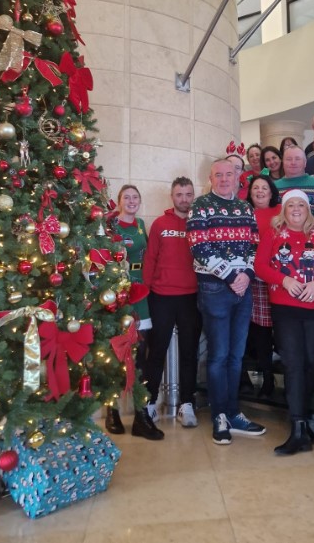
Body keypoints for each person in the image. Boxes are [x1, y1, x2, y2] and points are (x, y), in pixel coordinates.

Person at [186, 158, 266, 445]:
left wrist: (246, 274)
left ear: (237, 177)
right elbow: (199, 246)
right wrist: (232, 275)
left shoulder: (245, 208)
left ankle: (233, 412)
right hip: (214, 288)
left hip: (243, 289)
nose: (223, 179)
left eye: (228, 174)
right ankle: (220, 415)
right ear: (211, 178)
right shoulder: (201, 205)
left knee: (236, 356)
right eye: (218, 175)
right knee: (218, 356)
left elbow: (255, 244)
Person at [255, 189, 314, 455]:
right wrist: (283, 280)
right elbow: (260, 265)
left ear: (308, 209)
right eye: (291, 205)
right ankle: (297, 427)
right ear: (283, 210)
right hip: (285, 308)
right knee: (294, 364)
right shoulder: (273, 234)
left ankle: (305, 421)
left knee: (311, 364)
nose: (296, 208)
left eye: (301, 204)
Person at [143, 177, 201, 428]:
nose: (184, 199)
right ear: (172, 196)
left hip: (192, 297)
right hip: (161, 296)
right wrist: (145, 293)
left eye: (188, 194)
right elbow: (150, 259)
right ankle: (149, 402)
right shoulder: (160, 224)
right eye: (180, 195)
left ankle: (187, 404)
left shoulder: (200, 223)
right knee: (156, 351)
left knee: (189, 352)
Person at [107, 185, 164, 440]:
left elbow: (151, 255)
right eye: (126, 197)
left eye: (135, 197)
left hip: (141, 293)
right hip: (119, 293)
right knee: (116, 356)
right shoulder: (111, 226)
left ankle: (141, 414)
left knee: (141, 356)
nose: (131, 201)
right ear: (119, 201)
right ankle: (112, 410)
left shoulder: (141, 224)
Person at [245, 174, 281, 397]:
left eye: (264, 188)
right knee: (258, 330)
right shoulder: (244, 212)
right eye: (255, 188)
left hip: (277, 276)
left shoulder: (280, 212)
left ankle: (273, 376)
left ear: (271, 192)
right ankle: (264, 377)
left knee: (276, 330)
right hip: (251, 279)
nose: (259, 191)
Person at [275, 145, 314, 218]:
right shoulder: (274, 187)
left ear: (305, 162)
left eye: (297, 159)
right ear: (283, 162)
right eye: (289, 159)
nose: (293, 162)